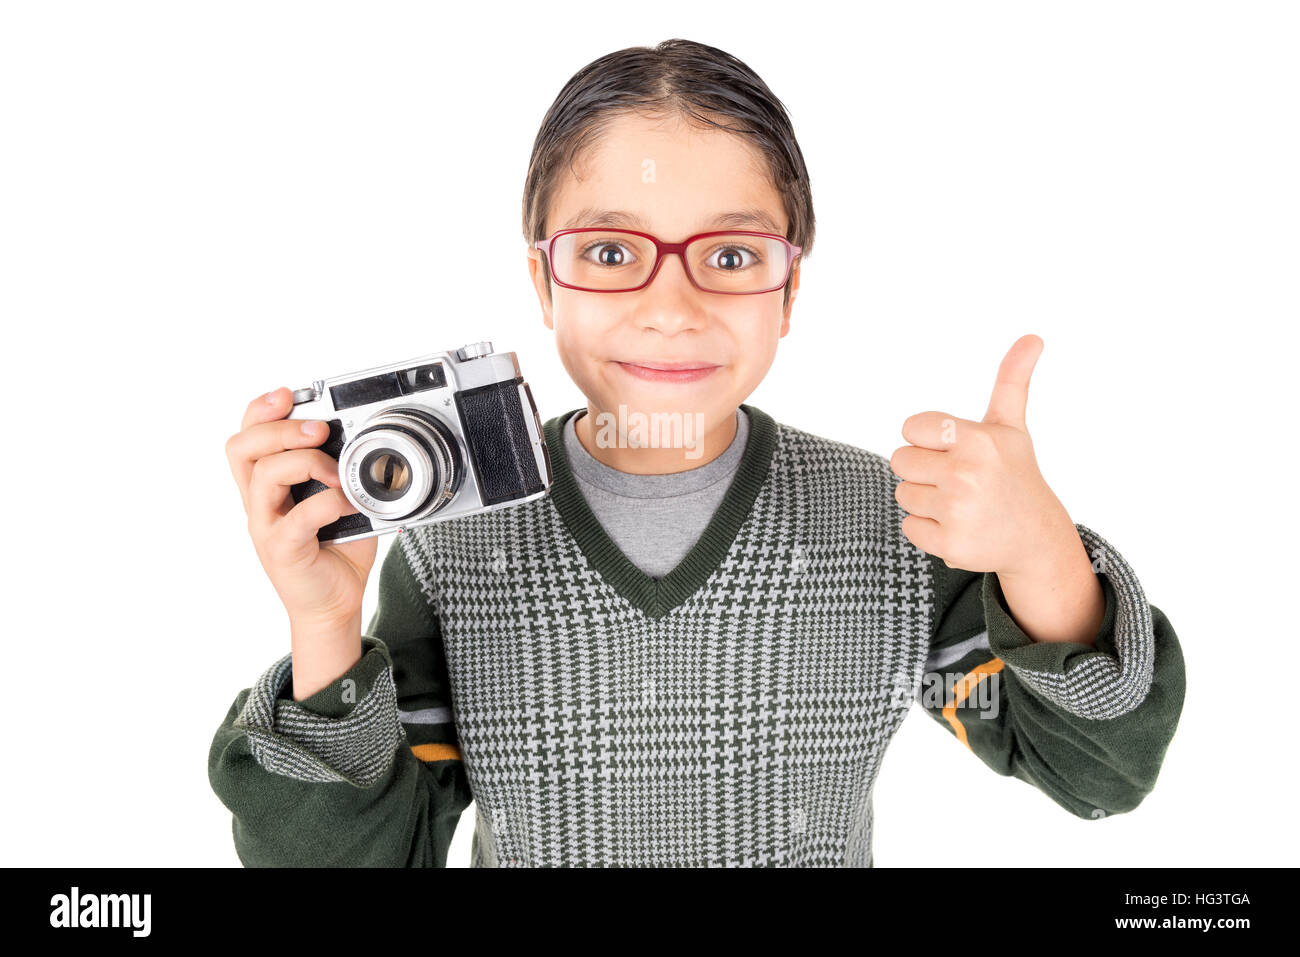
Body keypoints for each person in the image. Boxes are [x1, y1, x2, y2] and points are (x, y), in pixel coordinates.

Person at [210, 38, 1185, 867]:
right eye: (606, 252)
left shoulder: (896, 527)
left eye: (728, 256)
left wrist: (1037, 550)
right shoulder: (451, 550)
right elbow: (352, 858)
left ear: (791, 290)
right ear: (543, 287)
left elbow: (1094, 775)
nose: (669, 308)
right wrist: (325, 623)